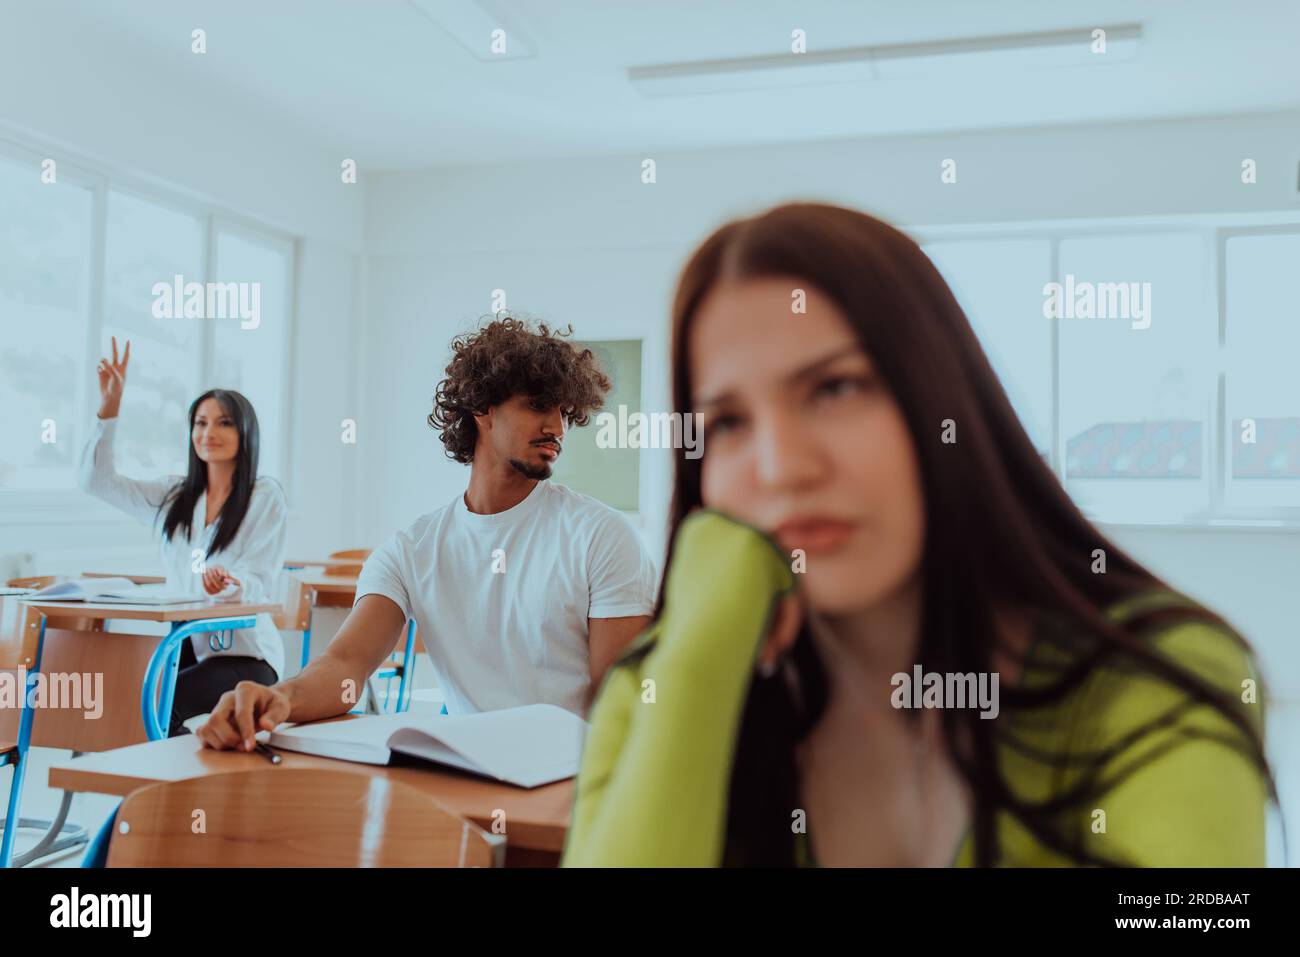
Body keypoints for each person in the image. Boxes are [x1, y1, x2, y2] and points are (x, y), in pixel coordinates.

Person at [562, 203, 1276, 867]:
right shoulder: (661, 683)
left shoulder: (1158, 679)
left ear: (942, 402)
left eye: (835, 388)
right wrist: (700, 648)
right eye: (728, 422)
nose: (782, 467)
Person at [197, 317, 656, 752]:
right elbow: (345, 667)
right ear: (482, 407)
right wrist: (281, 699)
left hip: (570, 784)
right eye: (537, 405)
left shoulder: (602, 536)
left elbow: (618, 704)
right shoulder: (409, 551)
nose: (556, 427)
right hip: (466, 773)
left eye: (563, 412)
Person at [80, 337, 287, 737]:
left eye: (224, 422)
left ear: (245, 433)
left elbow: (260, 578)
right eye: (201, 422)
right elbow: (96, 482)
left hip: (247, 656)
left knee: (160, 704)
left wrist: (230, 582)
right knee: (131, 699)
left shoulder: (264, 496)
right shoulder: (173, 496)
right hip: (184, 648)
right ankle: (170, 791)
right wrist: (108, 413)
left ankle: (176, 791)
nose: (209, 432)